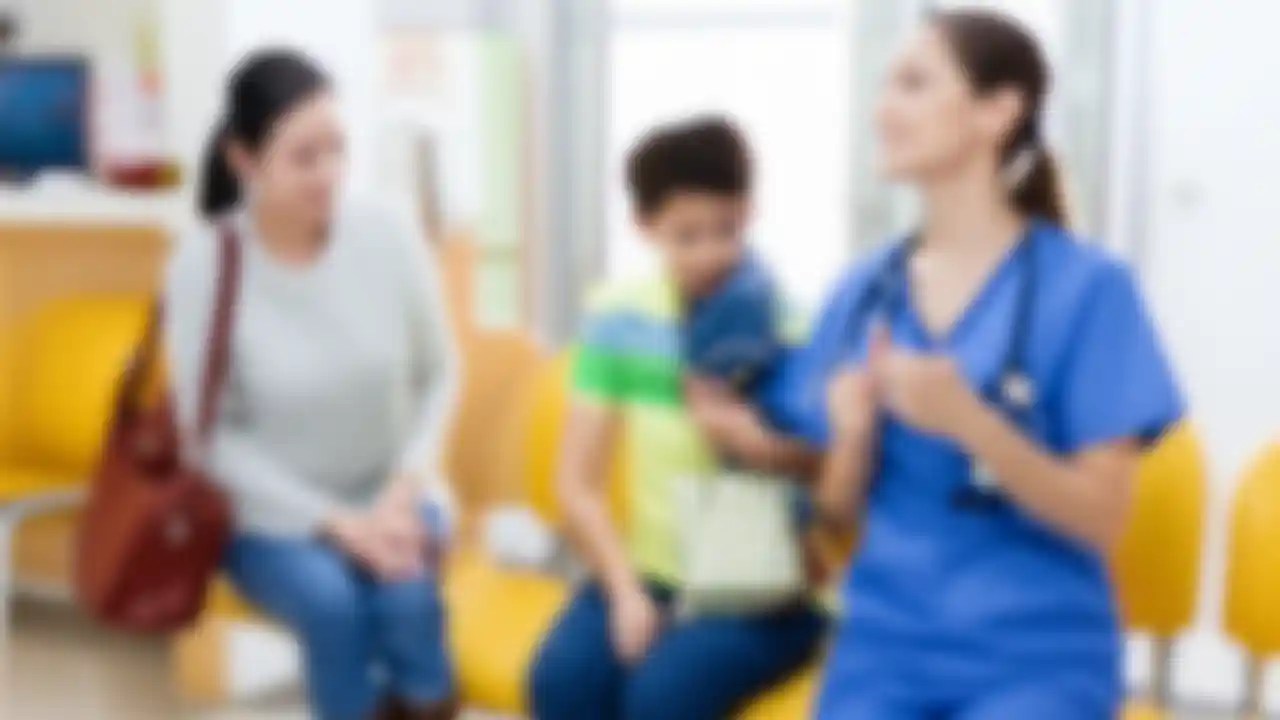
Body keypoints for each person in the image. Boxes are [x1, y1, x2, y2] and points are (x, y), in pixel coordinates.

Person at [790, 10, 1183, 719]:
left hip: (1035, 655)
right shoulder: (862, 294)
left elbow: (1102, 519)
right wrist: (850, 440)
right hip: (885, 646)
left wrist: (971, 422)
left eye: (913, 84)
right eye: (885, 87)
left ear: (999, 111)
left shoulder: (1089, 289)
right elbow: (833, 519)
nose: (884, 109)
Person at [165, 50, 459, 720]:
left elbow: (441, 372)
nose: (329, 174)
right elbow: (205, 437)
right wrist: (336, 524)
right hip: (275, 517)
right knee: (332, 604)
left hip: (394, 494)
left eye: (337, 150)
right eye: (304, 157)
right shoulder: (207, 262)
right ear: (244, 159)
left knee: (409, 599)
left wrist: (402, 491)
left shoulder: (388, 233)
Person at [528, 117, 826, 720]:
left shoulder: (788, 324)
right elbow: (576, 485)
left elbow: (828, 471)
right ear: (645, 228)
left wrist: (753, 443)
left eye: (728, 229)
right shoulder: (620, 319)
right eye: (686, 236)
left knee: (661, 700)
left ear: (750, 212)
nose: (712, 253)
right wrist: (625, 592)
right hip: (648, 573)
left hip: (761, 591)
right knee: (561, 682)